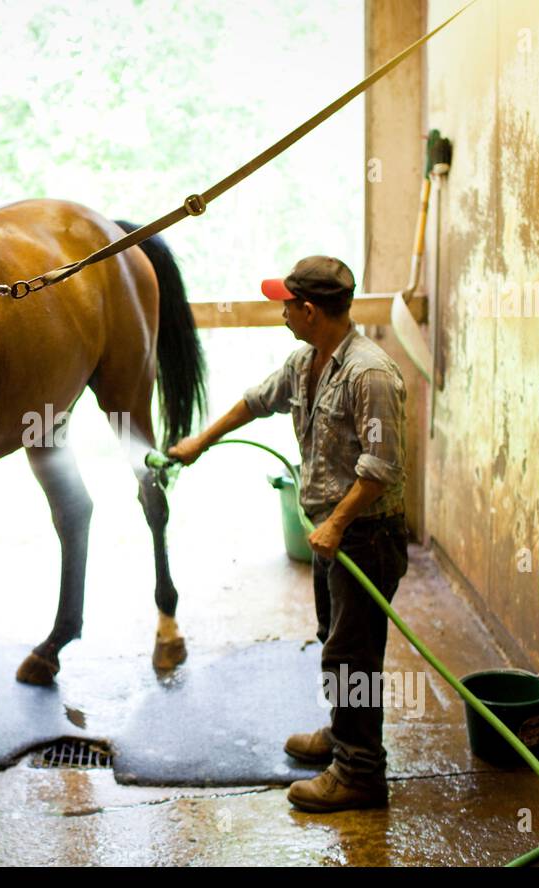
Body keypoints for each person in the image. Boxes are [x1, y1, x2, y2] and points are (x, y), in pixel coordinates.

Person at [167, 255, 409, 812]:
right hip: (333, 536)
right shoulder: (308, 361)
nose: (280, 312)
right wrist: (198, 444)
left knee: (354, 658)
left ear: (309, 309)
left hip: (365, 539)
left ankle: (361, 772)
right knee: (337, 644)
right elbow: (257, 401)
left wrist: (337, 523)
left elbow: (381, 467)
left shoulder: (369, 374)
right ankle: (344, 734)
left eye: (286, 304)